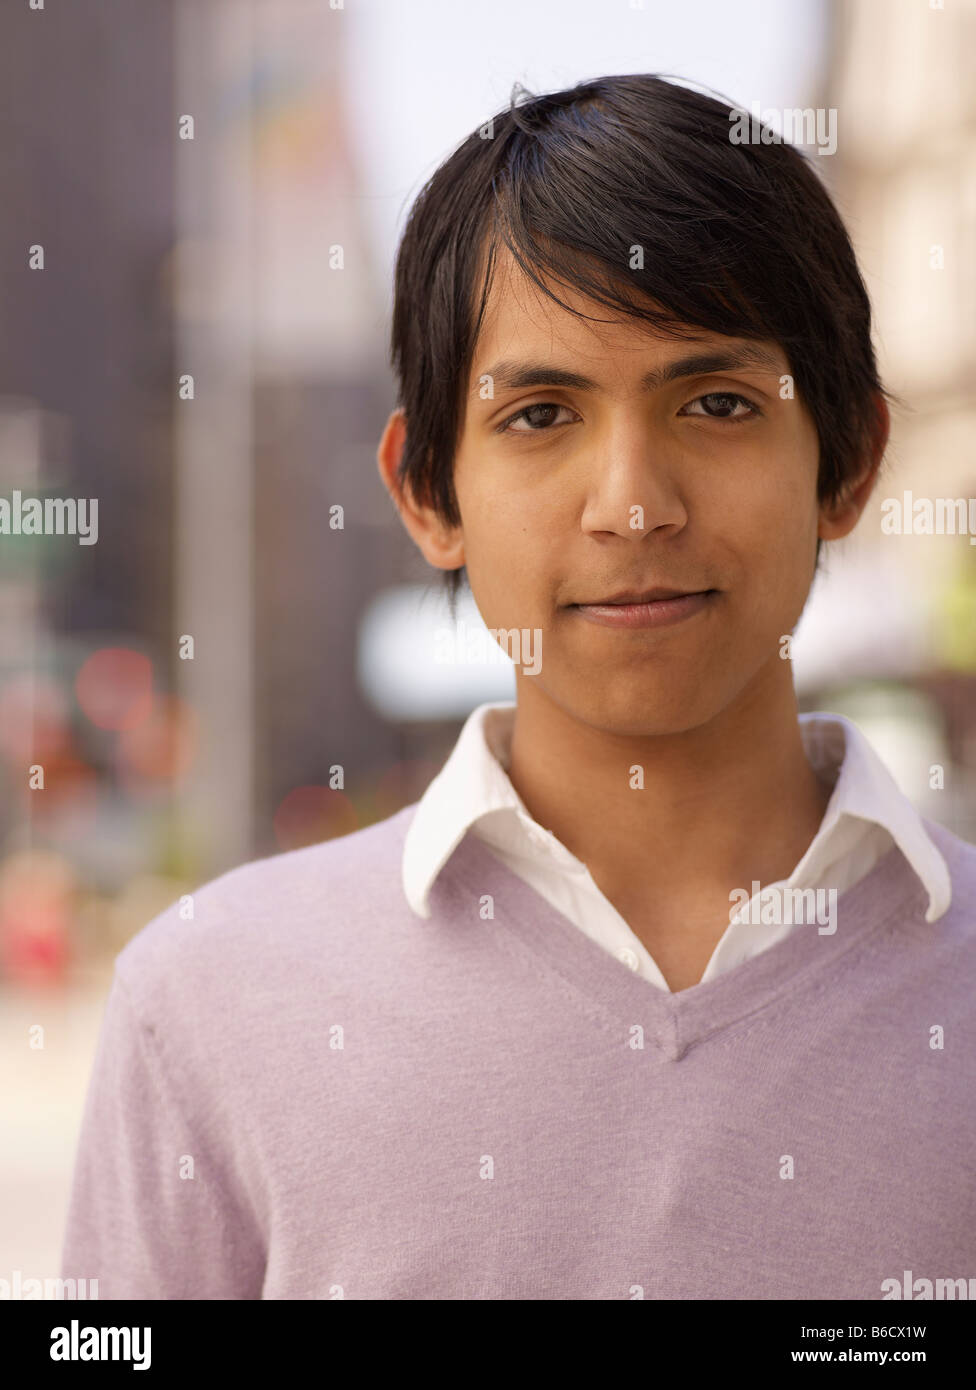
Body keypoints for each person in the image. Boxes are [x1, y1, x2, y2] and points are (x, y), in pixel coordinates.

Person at [62, 73, 976, 1301]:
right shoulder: (210, 998)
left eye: (715, 403)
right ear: (427, 490)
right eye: (541, 414)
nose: (633, 504)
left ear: (850, 462)